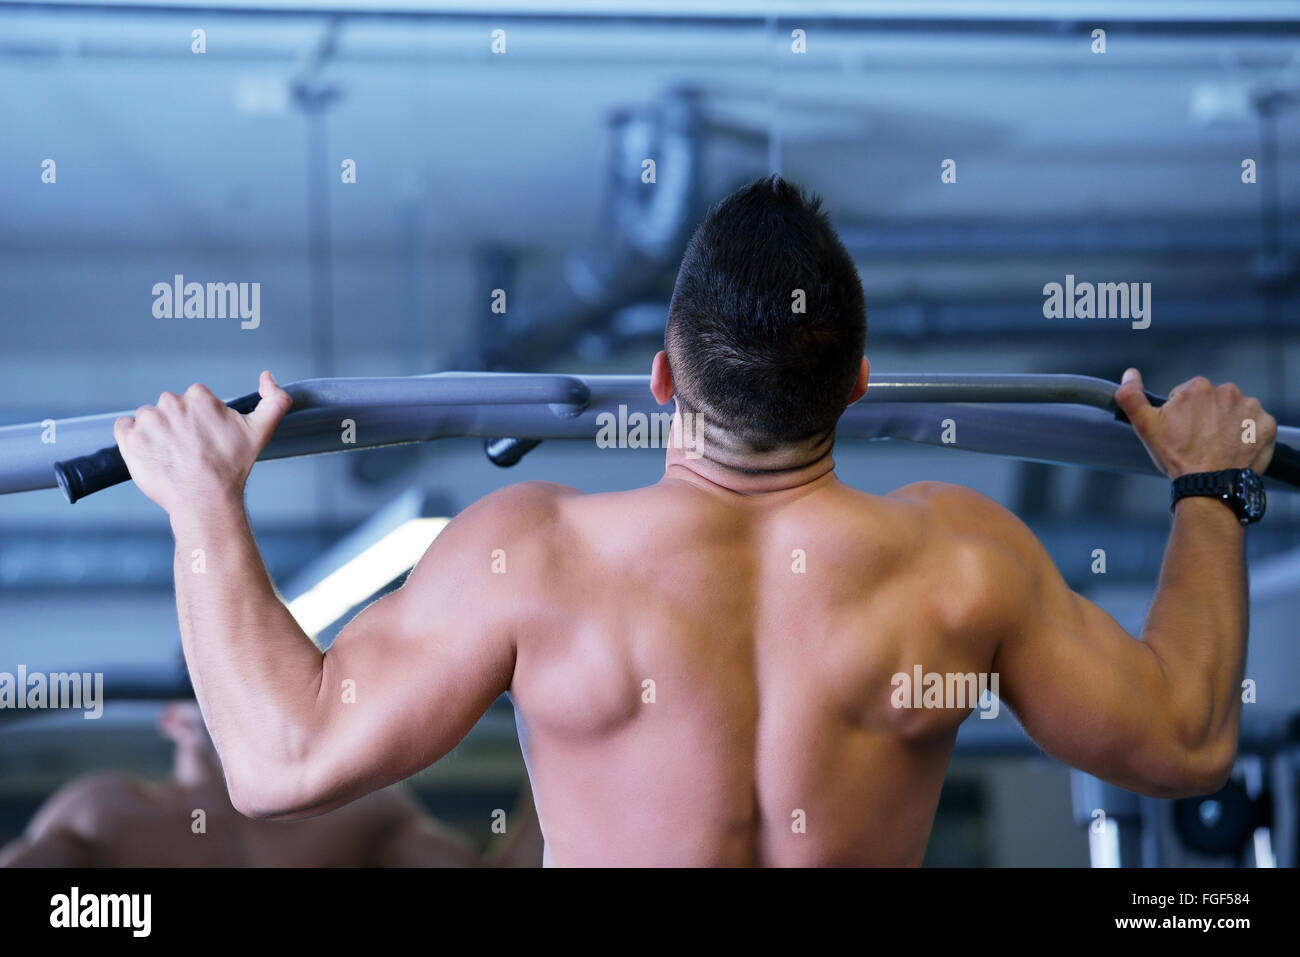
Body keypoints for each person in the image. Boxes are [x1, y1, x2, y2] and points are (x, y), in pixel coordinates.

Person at [110, 176, 1277, 866]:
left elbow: (276, 762)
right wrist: (1209, 489)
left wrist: (204, 505)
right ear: (859, 383)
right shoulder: (960, 562)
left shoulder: (538, 556)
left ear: (663, 381)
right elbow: (1182, 742)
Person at [0, 701, 540, 867]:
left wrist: (553, 732)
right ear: (175, 720)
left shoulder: (360, 811)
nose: (241, 703)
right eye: (218, 690)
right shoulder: (109, 810)